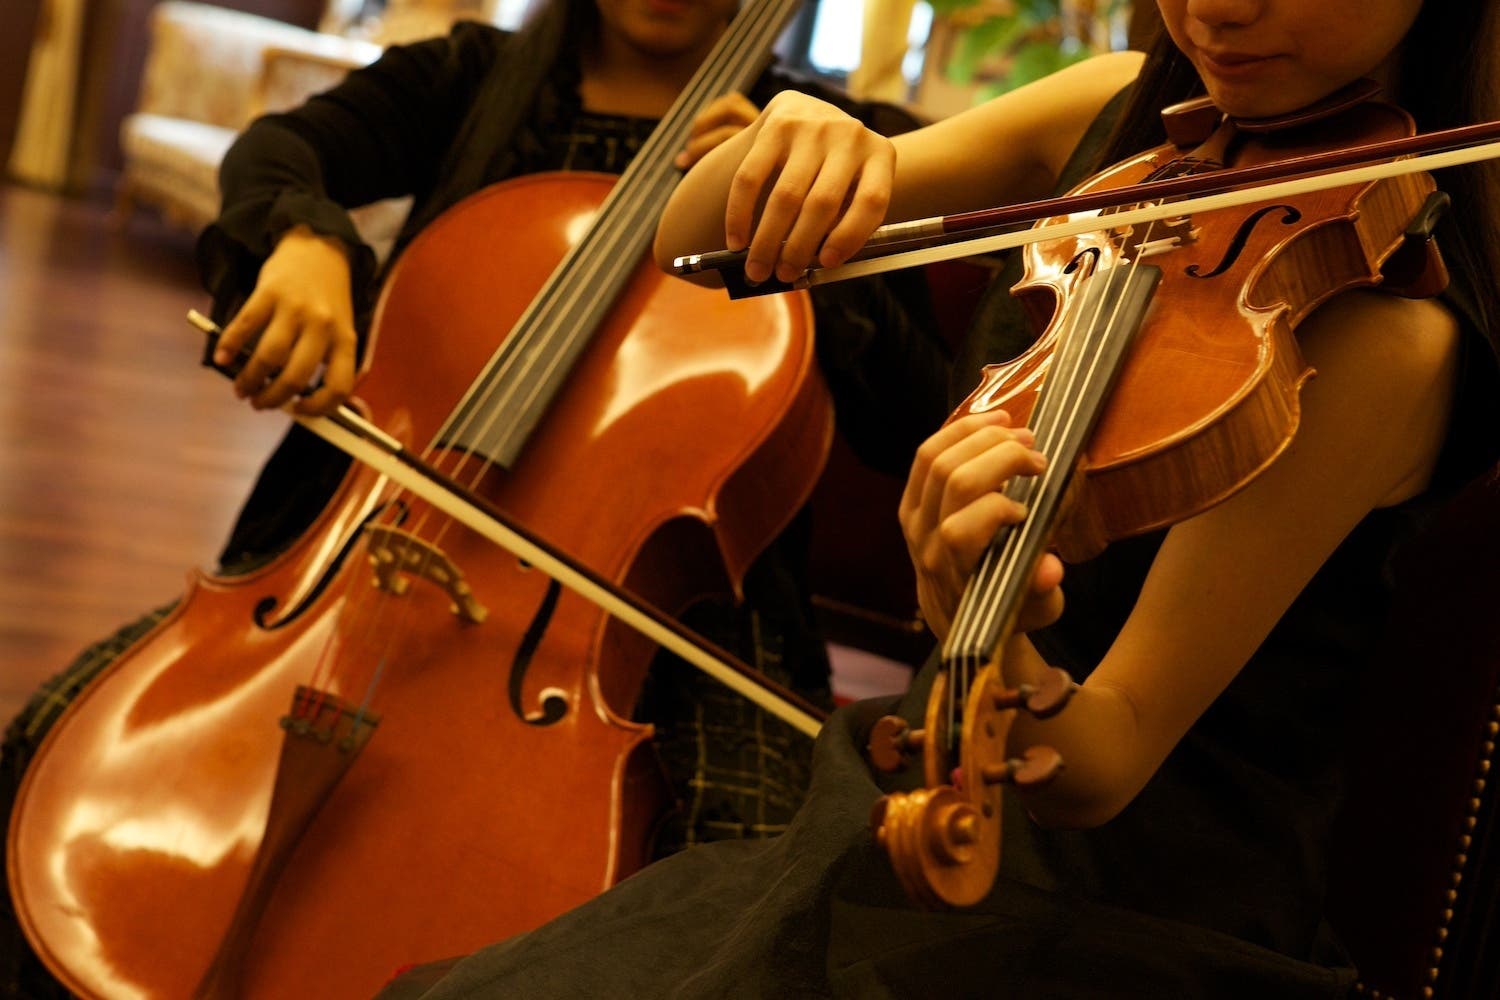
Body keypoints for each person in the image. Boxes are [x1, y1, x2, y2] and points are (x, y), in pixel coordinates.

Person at [367, 0, 1500, 996]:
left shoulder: (1385, 333)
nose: (1217, 9)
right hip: (912, 790)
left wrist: (984, 616)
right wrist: (800, 144)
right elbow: (688, 245)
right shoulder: (1135, 116)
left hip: (1125, 904)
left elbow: (1102, 762)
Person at [0, 0, 954, 995]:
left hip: (681, 622)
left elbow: (921, 413)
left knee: (748, 904)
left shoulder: (828, 144)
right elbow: (281, 151)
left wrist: (812, 238)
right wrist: (304, 239)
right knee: (51, 738)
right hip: (369, 564)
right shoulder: (474, 80)